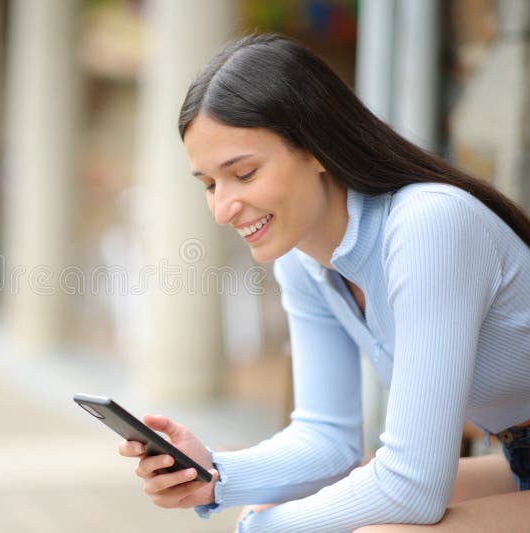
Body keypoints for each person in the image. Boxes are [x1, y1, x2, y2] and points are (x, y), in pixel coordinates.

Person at [118, 33, 530, 532]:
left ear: (317, 147)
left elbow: (413, 487)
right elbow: (326, 438)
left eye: (243, 174)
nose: (223, 210)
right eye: (209, 184)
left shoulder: (427, 226)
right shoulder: (304, 260)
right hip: (519, 460)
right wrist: (213, 474)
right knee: (274, 513)